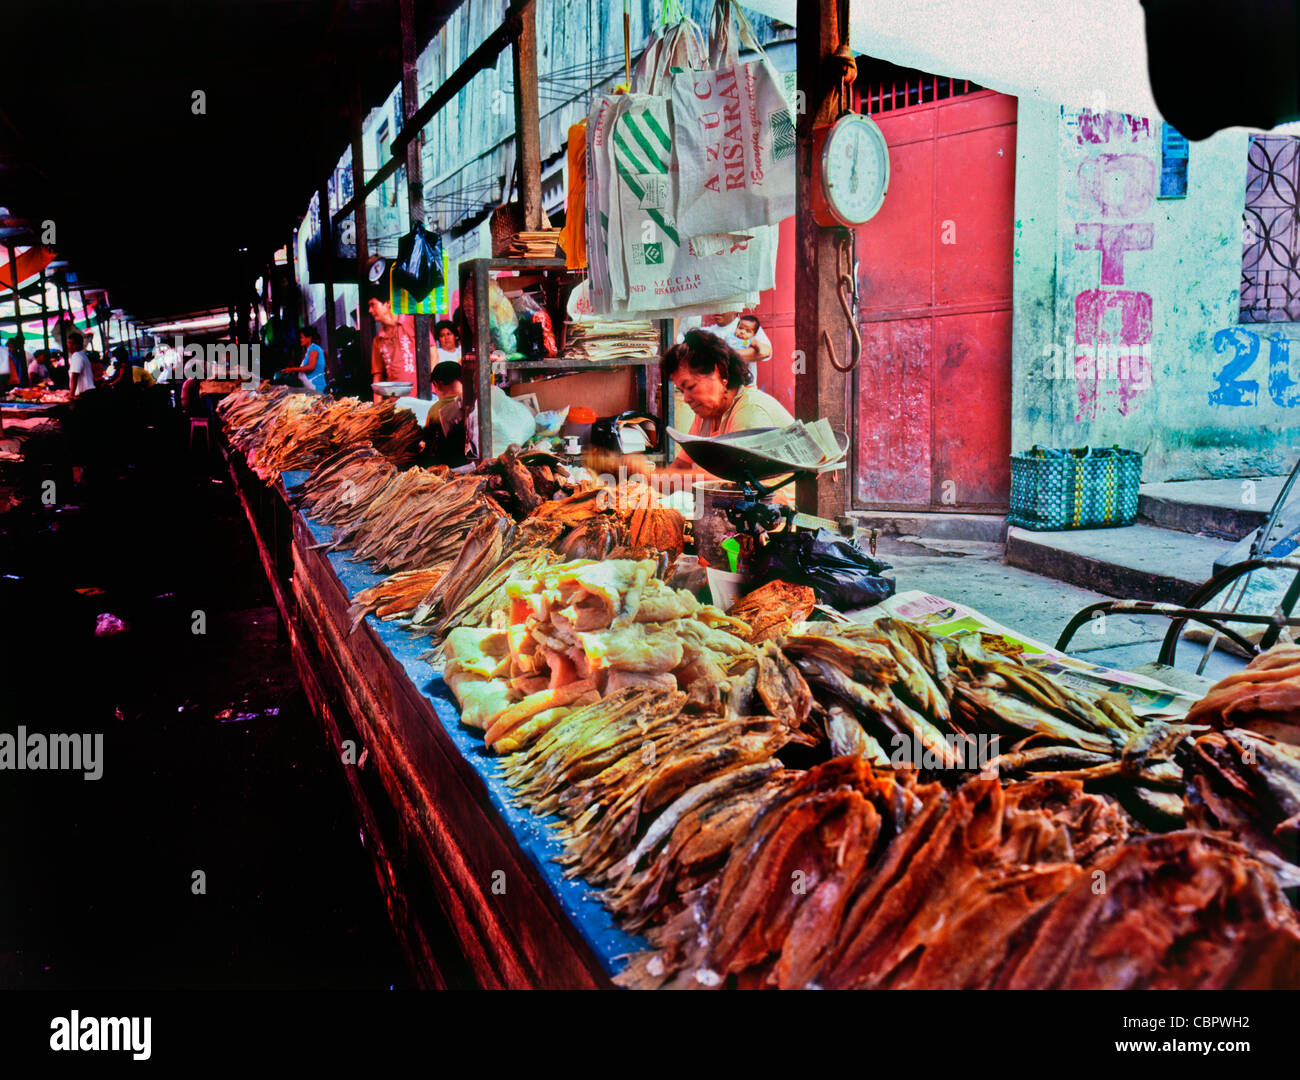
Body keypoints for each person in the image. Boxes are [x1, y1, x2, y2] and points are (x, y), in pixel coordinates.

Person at [659, 328, 795, 503]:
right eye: (681, 390)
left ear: (721, 372)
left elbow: (731, 483)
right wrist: (644, 485)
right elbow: (681, 465)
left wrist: (653, 476)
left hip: (776, 518)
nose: (686, 399)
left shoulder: (750, 411)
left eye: (691, 387)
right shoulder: (706, 413)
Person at [368, 297, 416, 391]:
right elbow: (378, 374)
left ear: (388, 303)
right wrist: (377, 405)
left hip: (421, 398)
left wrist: (432, 391)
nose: (370, 310)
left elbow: (433, 354)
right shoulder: (377, 340)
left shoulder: (412, 322)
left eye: (373, 305)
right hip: (396, 401)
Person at [731, 313, 772, 384]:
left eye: (747, 331)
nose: (742, 332)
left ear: (754, 335)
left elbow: (763, 351)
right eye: (740, 328)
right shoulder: (730, 337)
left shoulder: (748, 341)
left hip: (746, 378)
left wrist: (756, 345)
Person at [67, 332, 96, 398]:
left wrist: (71, 394)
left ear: (80, 345)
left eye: (73, 344)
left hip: (84, 394)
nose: (70, 346)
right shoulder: (83, 355)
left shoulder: (76, 355)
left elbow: (74, 375)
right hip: (89, 391)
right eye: (69, 343)